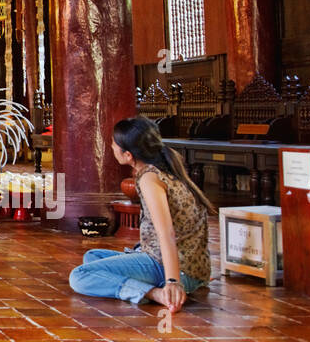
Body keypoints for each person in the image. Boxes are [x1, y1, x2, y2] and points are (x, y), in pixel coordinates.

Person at [69, 116, 214, 310]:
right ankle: (151, 283)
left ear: (128, 155)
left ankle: (155, 293)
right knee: (93, 256)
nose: (111, 148)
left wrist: (173, 281)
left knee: (79, 276)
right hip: (194, 269)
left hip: (174, 270)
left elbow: (167, 233)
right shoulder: (168, 170)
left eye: (113, 145)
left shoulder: (149, 178)